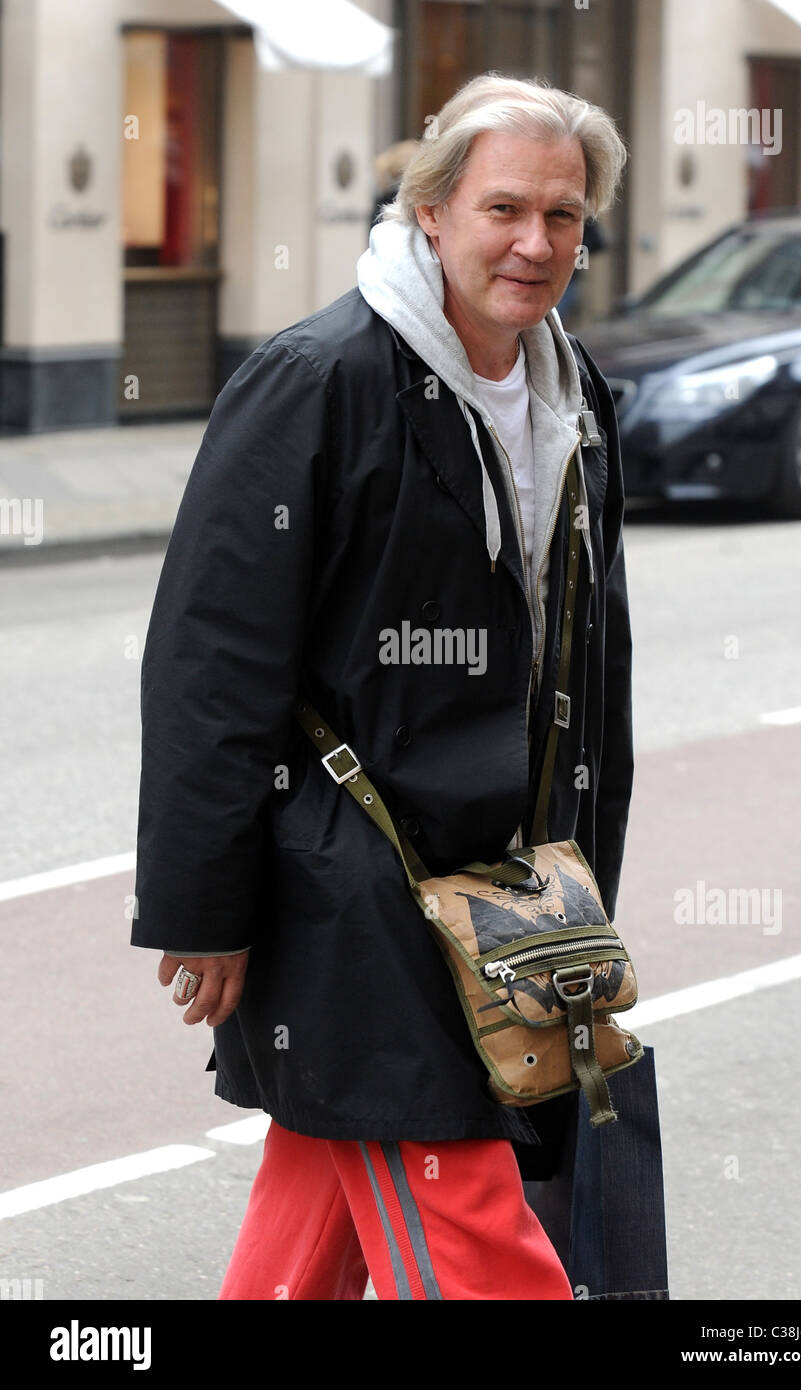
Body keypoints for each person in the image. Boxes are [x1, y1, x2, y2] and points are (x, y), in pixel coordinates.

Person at [132, 73, 633, 1301]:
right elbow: (211, 659)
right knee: (473, 1230)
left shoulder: (574, 396)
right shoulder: (317, 379)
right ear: (427, 211)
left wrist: (583, 870)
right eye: (502, 207)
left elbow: (593, 665)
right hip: (350, 887)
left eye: (562, 216)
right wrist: (205, 905)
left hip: (506, 897)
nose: (533, 243)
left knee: (324, 1181)